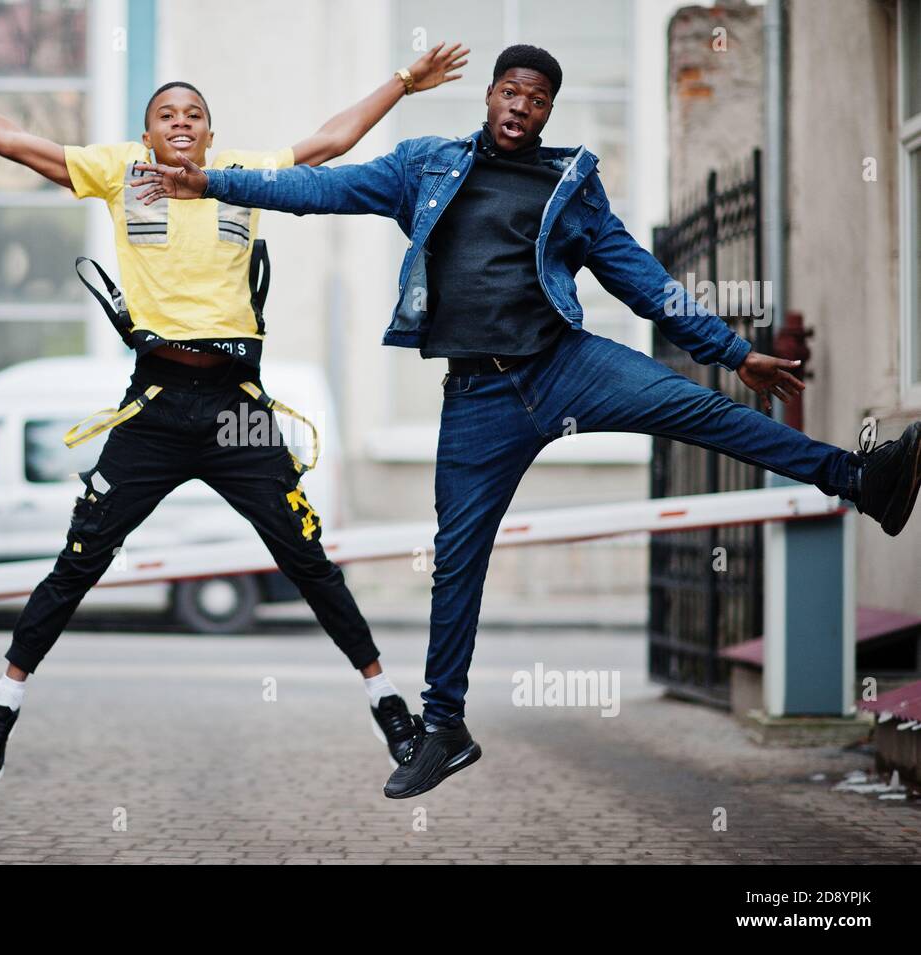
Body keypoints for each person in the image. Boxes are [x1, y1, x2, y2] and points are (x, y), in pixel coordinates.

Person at [130, 42, 921, 800]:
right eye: (511, 93)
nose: (521, 108)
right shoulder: (424, 167)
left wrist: (732, 349)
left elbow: (646, 283)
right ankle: (444, 727)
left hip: (568, 364)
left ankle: (862, 477)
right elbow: (320, 189)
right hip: (478, 399)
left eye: (537, 101)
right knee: (456, 560)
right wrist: (215, 184)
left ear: (547, 113)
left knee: (703, 410)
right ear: (490, 97)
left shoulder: (569, 186)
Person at [0, 40, 472, 787]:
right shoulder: (120, 174)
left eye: (194, 114)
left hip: (236, 408)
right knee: (80, 559)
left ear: (211, 132)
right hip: (157, 406)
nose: (181, 122)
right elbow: (13, 142)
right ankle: (1, 705)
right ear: (147, 135)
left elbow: (332, 140)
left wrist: (404, 81)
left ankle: (388, 705)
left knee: (307, 558)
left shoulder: (240, 177)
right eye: (166, 114)